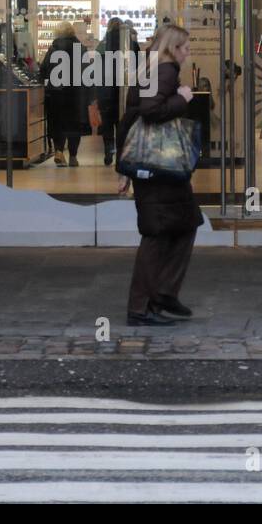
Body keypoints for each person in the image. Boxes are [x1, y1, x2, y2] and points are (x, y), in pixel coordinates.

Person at [117, 23, 203, 326]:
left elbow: (130, 118)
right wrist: (183, 98)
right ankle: (143, 305)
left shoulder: (148, 68)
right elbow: (151, 111)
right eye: (185, 48)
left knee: (180, 225)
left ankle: (160, 295)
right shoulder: (165, 70)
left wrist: (124, 167)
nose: (187, 54)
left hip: (151, 167)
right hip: (159, 167)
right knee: (159, 234)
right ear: (173, 48)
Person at [39, 20, 90, 167]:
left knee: (57, 123)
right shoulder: (80, 48)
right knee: (74, 125)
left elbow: (43, 70)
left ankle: (59, 151)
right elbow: (87, 71)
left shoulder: (53, 49)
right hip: (75, 93)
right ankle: (73, 156)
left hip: (56, 93)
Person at [95, 17, 140, 166]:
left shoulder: (101, 46)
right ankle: (122, 152)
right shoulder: (131, 45)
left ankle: (108, 149)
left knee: (107, 122)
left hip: (105, 90)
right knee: (124, 122)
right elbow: (138, 67)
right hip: (125, 90)